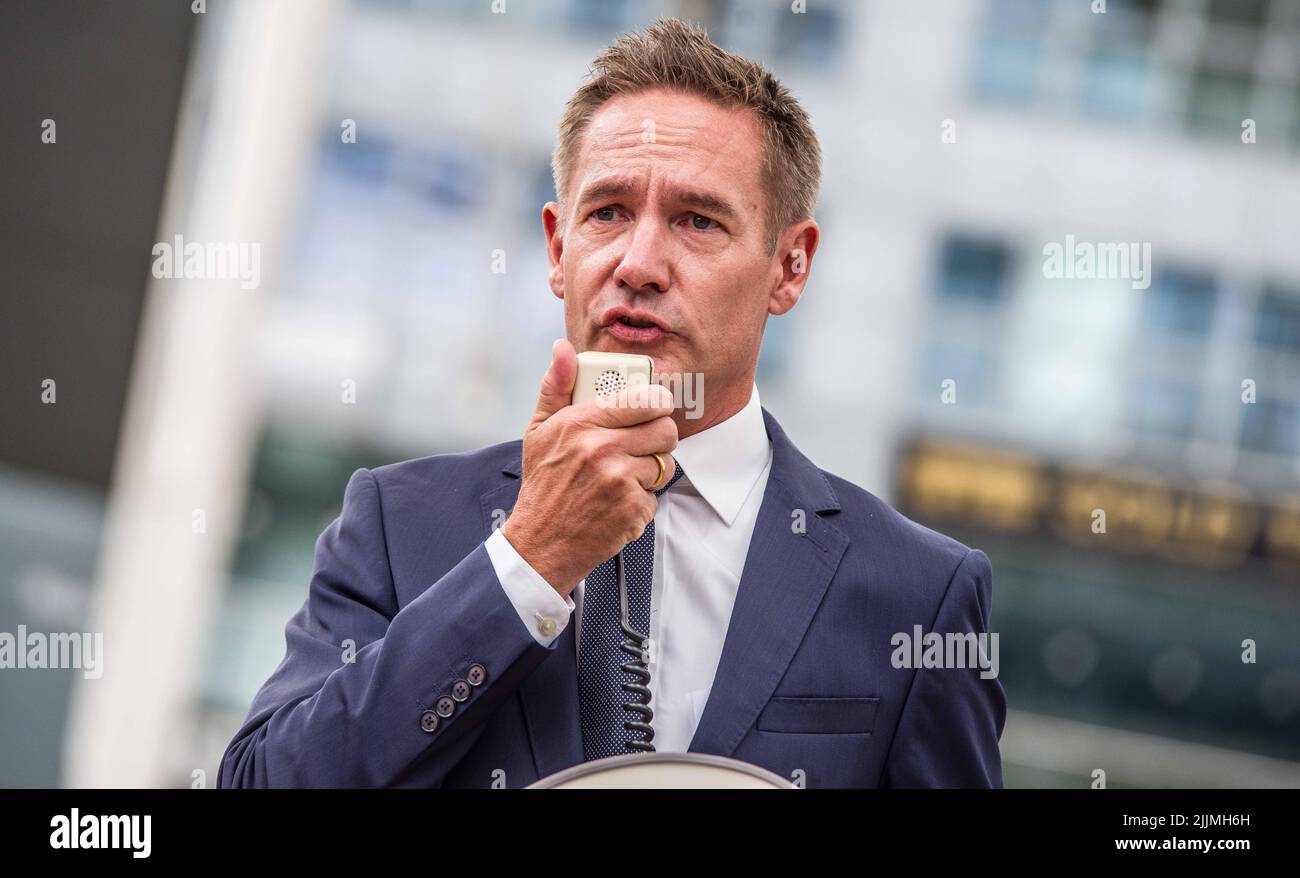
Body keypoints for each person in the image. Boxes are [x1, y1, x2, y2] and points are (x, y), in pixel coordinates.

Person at [218, 17, 1005, 789]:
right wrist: (528, 561)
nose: (639, 264)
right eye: (609, 214)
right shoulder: (397, 524)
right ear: (559, 249)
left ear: (789, 267)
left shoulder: (918, 595)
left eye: (698, 220)